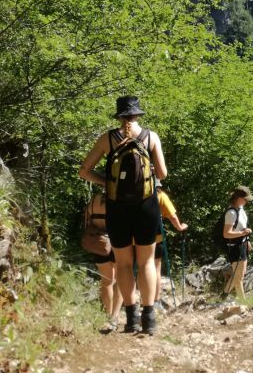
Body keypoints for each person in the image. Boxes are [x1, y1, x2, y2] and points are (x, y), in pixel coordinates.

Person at [78, 96, 167, 336]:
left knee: (124, 263)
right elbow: (162, 173)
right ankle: (149, 319)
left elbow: (84, 171)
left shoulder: (108, 139)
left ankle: (131, 319)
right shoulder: (151, 136)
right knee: (147, 261)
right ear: (138, 115)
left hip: (116, 208)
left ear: (119, 116)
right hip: (147, 206)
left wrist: (107, 183)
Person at [84, 191, 122, 331]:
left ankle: (107, 314)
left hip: (99, 242)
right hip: (117, 241)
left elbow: (87, 221)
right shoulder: (119, 199)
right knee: (120, 280)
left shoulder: (93, 200)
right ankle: (115, 316)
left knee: (106, 281)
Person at [154, 180, 188, 310]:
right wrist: (180, 227)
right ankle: (155, 300)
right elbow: (172, 216)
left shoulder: (136, 193)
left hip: (135, 237)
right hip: (154, 237)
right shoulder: (160, 195)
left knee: (142, 267)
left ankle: (144, 299)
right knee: (155, 268)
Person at [222, 186, 253, 298]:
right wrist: (243, 234)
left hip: (242, 244)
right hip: (235, 247)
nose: (247, 201)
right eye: (245, 199)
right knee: (238, 277)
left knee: (239, 275)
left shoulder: (241, 209)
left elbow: (241, 227)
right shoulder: (231, 213)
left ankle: (223, 296)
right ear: (238, 198)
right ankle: (243, 302)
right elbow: (226, 234)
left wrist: (247, 241)